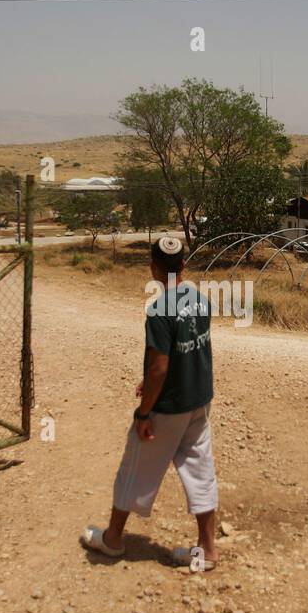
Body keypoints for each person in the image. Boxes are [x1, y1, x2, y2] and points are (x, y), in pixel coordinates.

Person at [81, 235, 219, 570]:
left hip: (168, 409)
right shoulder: (200, 300)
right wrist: (152, 378)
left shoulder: (159, 310)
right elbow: (186, 351)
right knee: (200, 471)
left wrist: (144, 412)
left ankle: (112, 540)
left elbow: (160, 366)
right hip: (199, 402)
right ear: (183, 265)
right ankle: (208, 550)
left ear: (153, 268)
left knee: (135, 467)